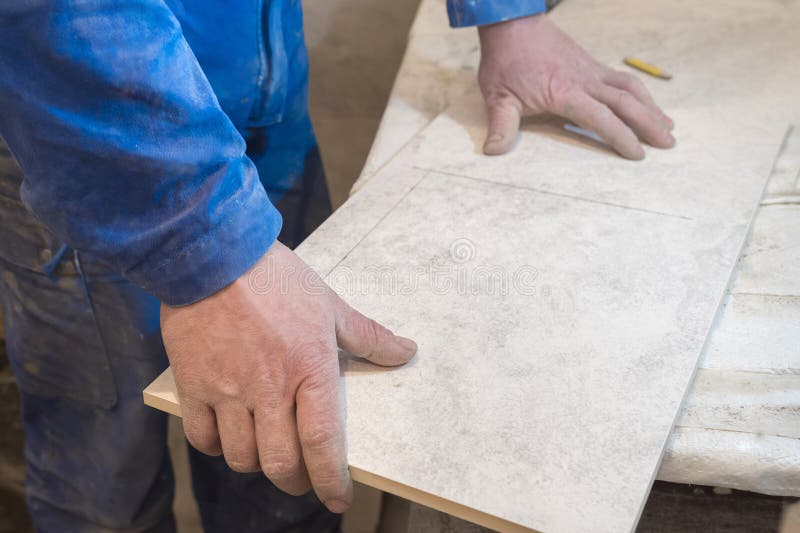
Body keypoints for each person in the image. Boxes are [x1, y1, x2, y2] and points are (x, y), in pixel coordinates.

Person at [0, 1, 674, 531]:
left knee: (290, 460)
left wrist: (507, 14)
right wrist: (206, 239)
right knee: (105, 495)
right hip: (85, 144)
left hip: (266, 102)